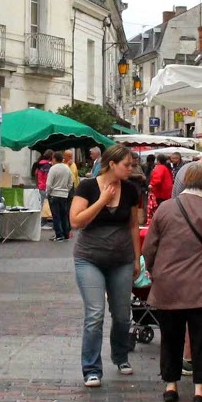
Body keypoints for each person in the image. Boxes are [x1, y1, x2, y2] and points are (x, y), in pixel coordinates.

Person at [142, 160, 202, 402]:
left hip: (167, 286)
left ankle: (170, 386)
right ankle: (200, 390)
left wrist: (154, 271)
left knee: (170, 338)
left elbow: (148, 248)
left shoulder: (164, 209)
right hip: (201, 288)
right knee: (201, 339)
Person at [69, 143, 142, 387]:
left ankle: (120, 356)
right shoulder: (87, 186)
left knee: (122, 315)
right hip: (89, 258)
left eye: (132, 165)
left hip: (121, 259)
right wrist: (102, 200)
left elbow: (134, 226)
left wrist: (136, 258)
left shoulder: (131, 190)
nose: (131, 169)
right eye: (127, 165)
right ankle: (91, 368)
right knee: (95, 314)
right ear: (112, 164)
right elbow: (76, 221)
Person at [45, 149, 75, 240]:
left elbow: (49, 184)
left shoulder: (53, 168)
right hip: (64, 195)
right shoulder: (67, 168)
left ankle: (59, 234)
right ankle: (66, 233)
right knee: (64, 215)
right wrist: (66, 190)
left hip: (54, 194)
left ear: (54, 159)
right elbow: (71, 182)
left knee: (56, 216)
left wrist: (49, 192)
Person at [147, 153, 175, 221]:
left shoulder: (160, 167)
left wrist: (151, 184)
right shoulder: (166, 168)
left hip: (160, 192)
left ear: (158, 160)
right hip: (167, 192)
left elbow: (157, 179)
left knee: (159, 209)